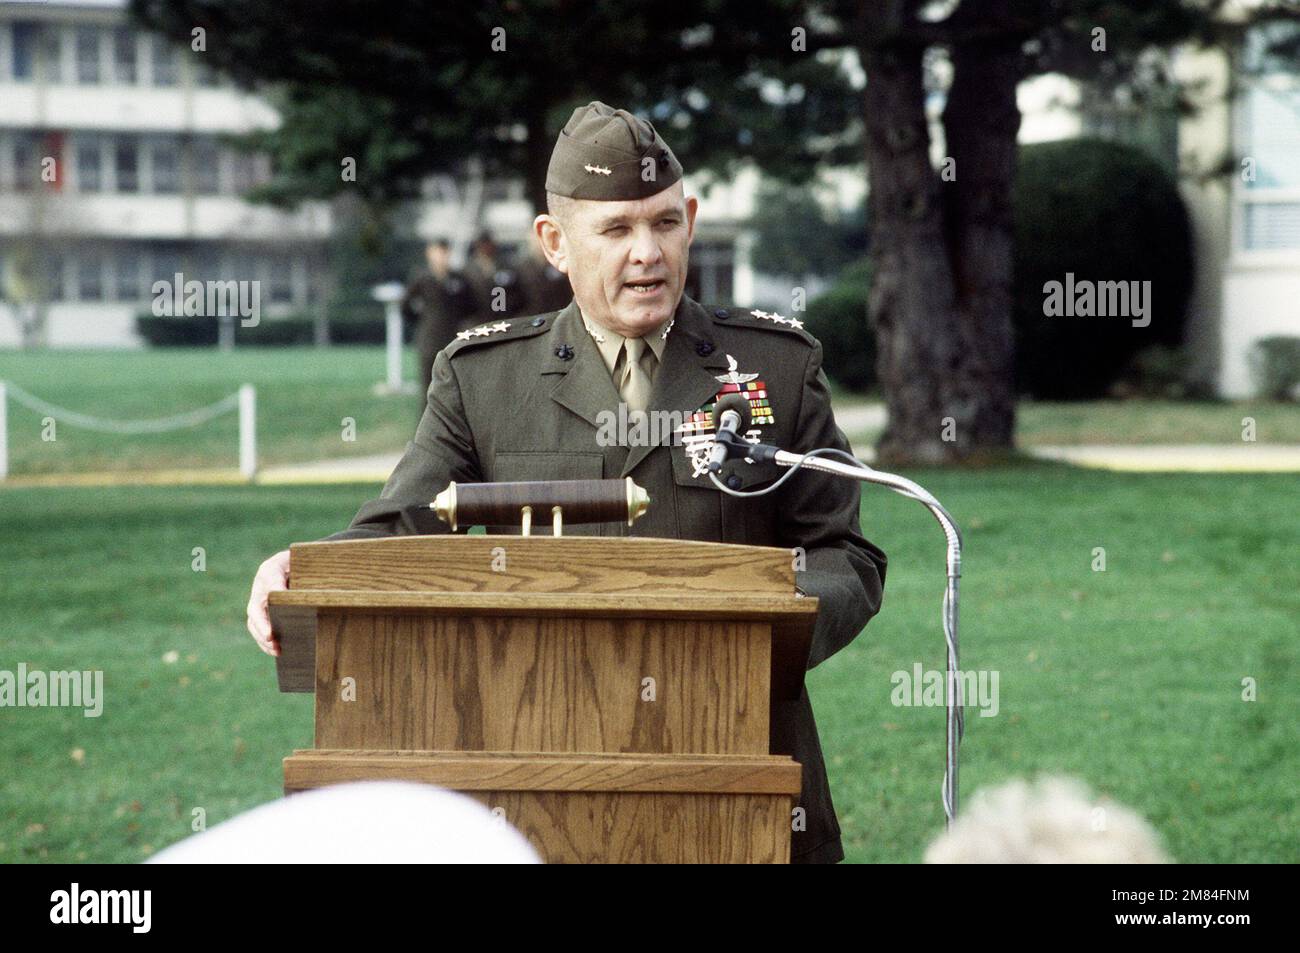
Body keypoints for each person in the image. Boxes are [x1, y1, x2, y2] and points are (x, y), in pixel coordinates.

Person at [247, 100, 887, 864]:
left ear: (691, 217)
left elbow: (845, 553)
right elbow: (398, 530)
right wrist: (300, 570)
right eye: (615, 230)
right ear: (555, 242)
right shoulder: (485, 381)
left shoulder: (775, 368)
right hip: (542, 786)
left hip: (741, 773)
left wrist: (756, 632)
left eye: (664, 223)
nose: (647, 253)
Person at [402, 238, 475, 399]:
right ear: (429, 254)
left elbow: (470, 305)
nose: (442, 256)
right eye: (438, 252)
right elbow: (405, 305)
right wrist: (422, 321)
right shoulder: (422, 278)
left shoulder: (458, 278)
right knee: (428, 388)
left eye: (445, 252)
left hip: (452, 338)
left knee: (454, 388)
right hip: (429, 341)